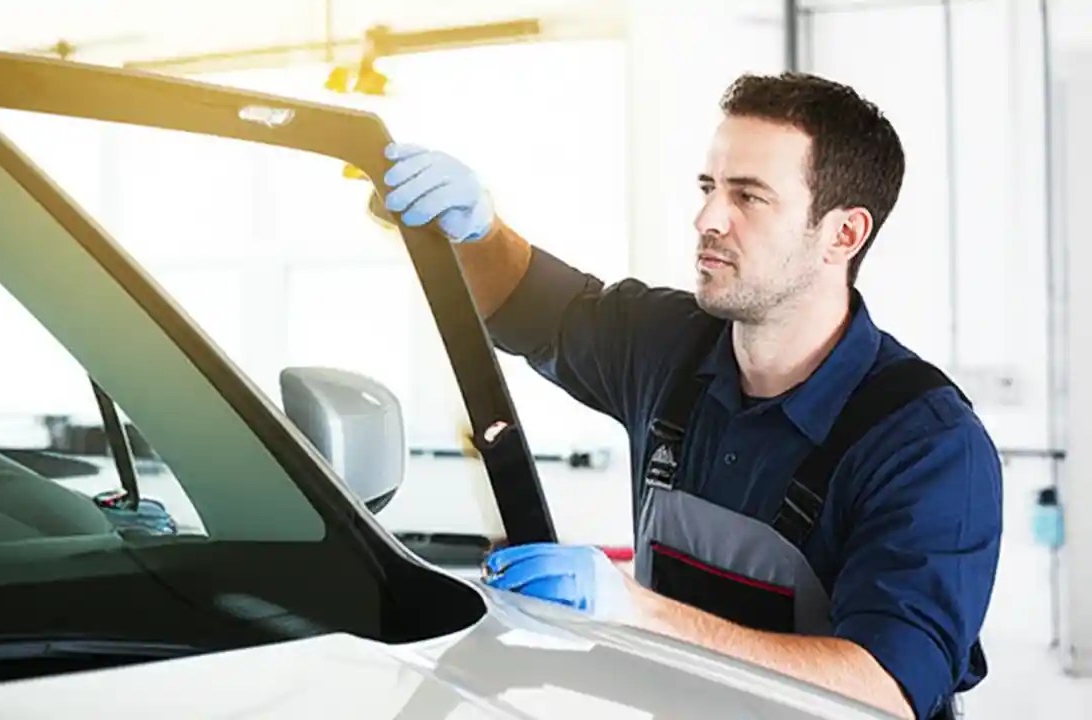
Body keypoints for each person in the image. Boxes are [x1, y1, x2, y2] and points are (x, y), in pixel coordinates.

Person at [381, 72, 1002, 720]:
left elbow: (887, 690)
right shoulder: (669, 345)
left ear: (843, 234)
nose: (707, 218)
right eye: (709, 188)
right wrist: (476, 228)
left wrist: (640, 612)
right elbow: (531, 306)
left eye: (749, 197)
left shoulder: (927, 444)